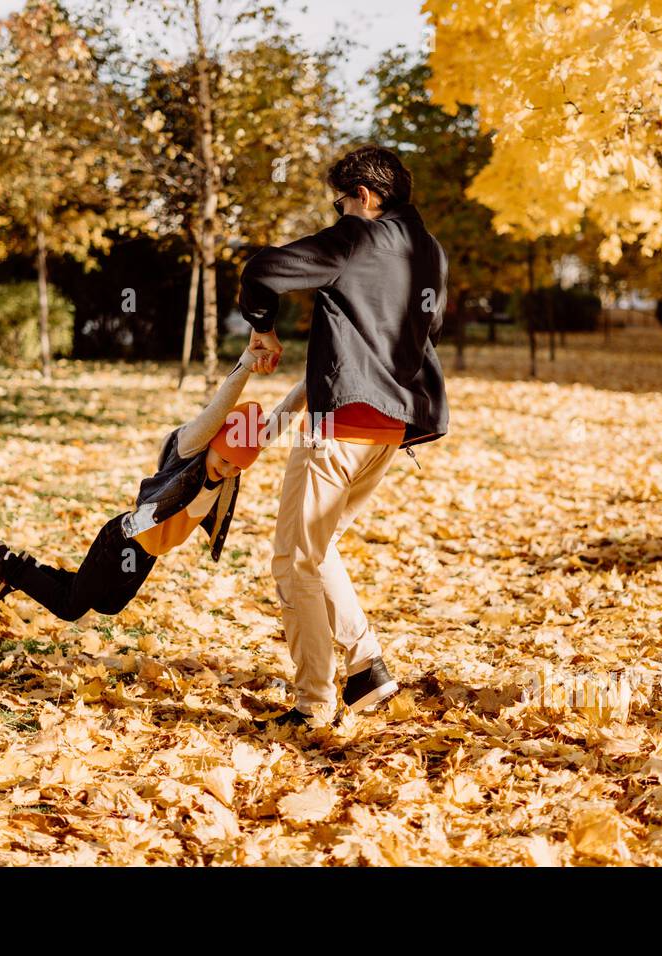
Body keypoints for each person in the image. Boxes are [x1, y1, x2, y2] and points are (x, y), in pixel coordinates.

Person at [238, 144, 450, 729]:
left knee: (293, 561)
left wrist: (263, 330)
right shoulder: (430, 252)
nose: (337, 212)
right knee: (318, 549)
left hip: (337, 427)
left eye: (339, 201)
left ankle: (312, 704)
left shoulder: (356, 238)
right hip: (390, 430)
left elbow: (261, 270)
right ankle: (367, 669)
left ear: (363, 195)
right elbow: (428, 326)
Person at [0, 341, 304, 623]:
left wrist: (314, 378)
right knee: (70, 607)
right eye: (224, 460)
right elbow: (219, 405)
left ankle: (26, 570)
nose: (227, 470)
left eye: (236, 468)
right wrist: (247, 361)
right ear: (212, 442)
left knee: (106, 603)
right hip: (123, 539)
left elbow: (282, 418)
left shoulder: (233, 466)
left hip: (147, 553)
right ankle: (5, 563)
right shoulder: (191, 449)